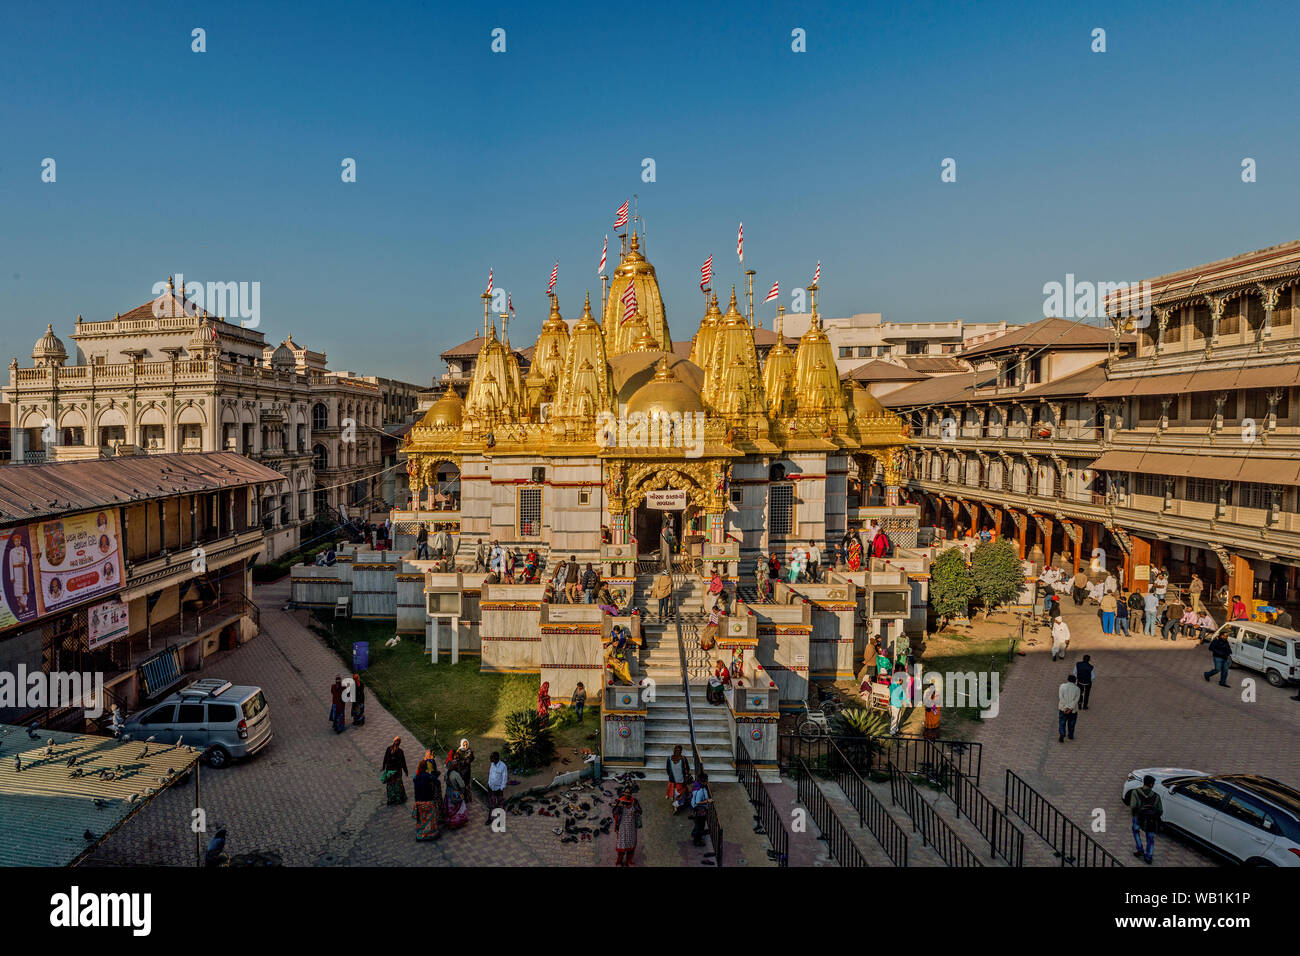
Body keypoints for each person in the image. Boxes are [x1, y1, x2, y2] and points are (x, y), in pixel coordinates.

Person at [1127, 774, 1163, 864]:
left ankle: (1140, 849)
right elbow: (1160, 810)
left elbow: (1133, 806)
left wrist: (1135, 814)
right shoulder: (1156, 796)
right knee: (1150, 837)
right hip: (1150, 820)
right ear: (1151, 784)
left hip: (1138, 817)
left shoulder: (1135, 792)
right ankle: (1149, 856)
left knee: (1135, 831)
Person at [613, 783, 644, 865]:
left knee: (631, 845)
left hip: (631, 827)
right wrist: (618, 806)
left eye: (629, 793)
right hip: (622, 827)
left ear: (631, 793)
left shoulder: (635, 801)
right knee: (621, 845)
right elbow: (614, 812)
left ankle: (629, 860)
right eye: (625, 792)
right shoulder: (620, 800)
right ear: (623, 793)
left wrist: (635, 812)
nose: (627, 794)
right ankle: (619, 860)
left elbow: (640, 811)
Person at [412, 759, 442, 841]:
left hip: (419, 802)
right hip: (428, 800)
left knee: (422, 819)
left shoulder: (416, 777)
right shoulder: (428, 776)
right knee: (430, 818)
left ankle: (420, 834)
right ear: (426, 767)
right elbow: (437, 782)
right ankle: (431, 833)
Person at [382, 737, 409, 805]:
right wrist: (406, 771)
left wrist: (383, 767)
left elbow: (385, 759)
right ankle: (396, 799)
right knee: (394, 785)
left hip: (393, 771)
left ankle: (394, 799)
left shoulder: (395, 750)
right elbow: (403, 762)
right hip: (394, 771)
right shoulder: (396, 751)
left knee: (393, 785)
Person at [666, 745, 690, 813]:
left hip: (673, 781)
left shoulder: (669, 758)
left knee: (674, 793)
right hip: (681, 781)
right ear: (681, 751)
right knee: (682, 793)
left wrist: (672, 776)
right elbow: (687, 769)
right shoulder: (683, 759)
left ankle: (676, 804)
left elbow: (667, 769)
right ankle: (676, 804)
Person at [486, 751, 508, 826]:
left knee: (500, 805)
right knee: (491, 804)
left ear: (496, 758)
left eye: (491, 758)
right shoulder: (492, 764)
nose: (490, 759)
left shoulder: (503, 766)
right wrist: (489, 783)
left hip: (498, 789)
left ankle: (501, 820)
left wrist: (501, 788)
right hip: (491, 787)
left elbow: (504, 778)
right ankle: (490, 819)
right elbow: (490, 774)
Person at [690, 773, 712, 847]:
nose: (707, 782)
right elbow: (697, 802)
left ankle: (694, 833)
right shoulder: (699, 790)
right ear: (703, 782)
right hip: (699, 810)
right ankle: (697, 841)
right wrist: (707, 801)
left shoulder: (697, 785)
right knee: (700, 825)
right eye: (706, 781)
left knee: (697, 824)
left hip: (696, 809)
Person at [1058, 674, 1081, 742]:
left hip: (1063, 708)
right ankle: (1070, 735)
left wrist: (1066, 707)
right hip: (1073, 710)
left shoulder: (1062, 686)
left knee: (1062, 722)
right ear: (1075, 681)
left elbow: (1061, 697)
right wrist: (1070, 708)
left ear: (1068, 679)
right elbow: (1076, 700)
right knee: (1071, 723)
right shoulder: (1077, 689)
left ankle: (1062, 733)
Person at [888, 664, 908, 735]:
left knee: (898, 717)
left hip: (899, 704)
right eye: (901, 680)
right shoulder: (893, 686)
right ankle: (892, 731)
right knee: (895, 718)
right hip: (894, 704)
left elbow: (902, 694)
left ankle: (896, 729)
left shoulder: (899, 686)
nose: (902, 681)